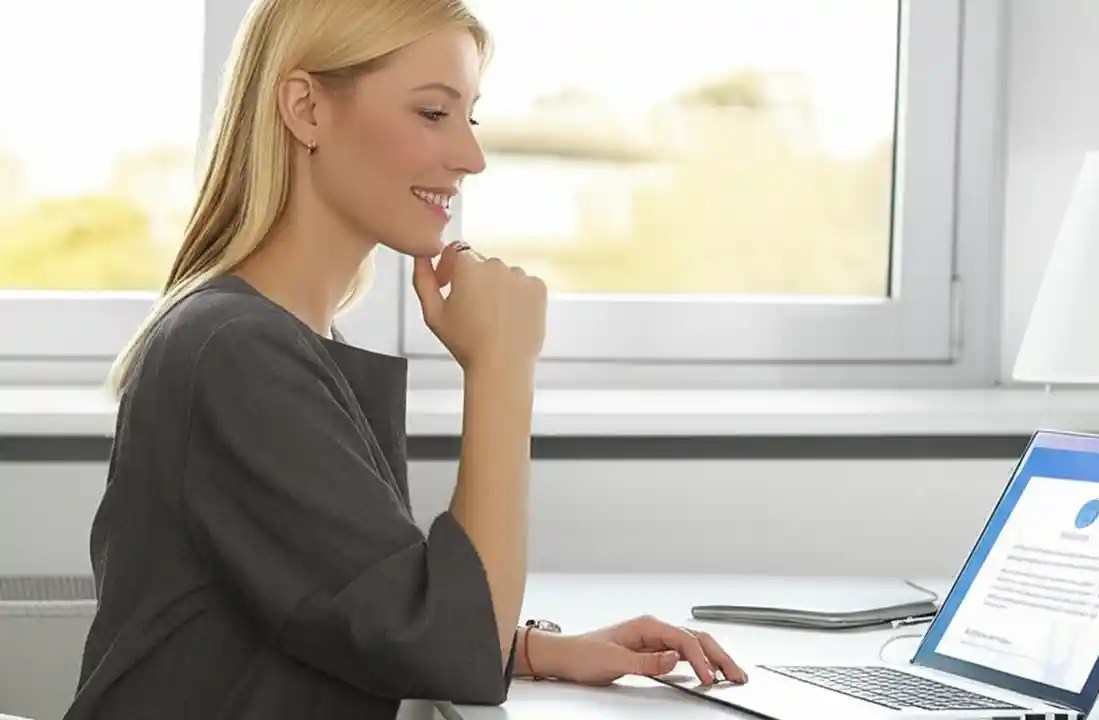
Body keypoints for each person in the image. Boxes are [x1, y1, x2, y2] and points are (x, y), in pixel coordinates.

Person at [64, 0, 746, 717]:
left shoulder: (273, 341)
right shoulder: (240, 353)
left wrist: (534, 647)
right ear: (306, 108)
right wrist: (502, 367)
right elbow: (450, 642)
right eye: (432, 114)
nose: (471, 157)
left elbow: (356, 602)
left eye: (469, 117)